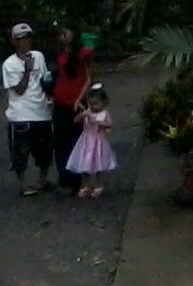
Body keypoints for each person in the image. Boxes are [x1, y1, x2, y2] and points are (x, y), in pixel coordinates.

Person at [3, 23, 53, 196]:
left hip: (41, 110)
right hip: (21, 114)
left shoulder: (38, 56)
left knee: (45, 150)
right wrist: (27, 70)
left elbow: (44, 78)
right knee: (20, 152)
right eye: (22, 39)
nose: (27, 42)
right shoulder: (9, 64)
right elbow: (18, 89)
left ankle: (43, 179)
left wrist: (50, 93)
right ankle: (22, 184)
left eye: (28, 38)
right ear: (15, 42)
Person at [52, 25, 93, 194]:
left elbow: (89, 78)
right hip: (60, 100)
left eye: (66, 31)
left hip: (75, 102)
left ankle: (76, 180)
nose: (63, 35)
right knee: (60, 141)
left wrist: (80, 98)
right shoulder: (58, 53)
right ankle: (63, 179)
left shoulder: (84, 53)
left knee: (75, 141)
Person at [65, 83, 116, 198]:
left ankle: (99, 185)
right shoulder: (88, 112)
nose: (93, 106)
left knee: (99, 164)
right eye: (91, 104)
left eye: (96, 104)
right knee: (85, 164)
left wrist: (99, 123)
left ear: (103, 102)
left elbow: (110, 124)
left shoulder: (104, 113)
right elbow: (75, 120)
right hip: (86, 141)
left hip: (98, 142)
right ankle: (86, 185)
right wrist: (83, 115)